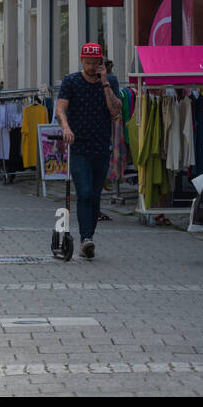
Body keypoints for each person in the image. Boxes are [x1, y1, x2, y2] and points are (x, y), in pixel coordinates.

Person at [55, 42, 121, 260]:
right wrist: (65, 127)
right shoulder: (71, 81)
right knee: (83, 192)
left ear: (102, 62)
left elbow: (116, 110)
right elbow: (61, 108)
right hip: (79, 146)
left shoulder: (110, 81)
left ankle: (88, 236)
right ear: (81, 61)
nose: (92, 67)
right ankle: (86, 239)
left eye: (95, 63)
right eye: (88, 63)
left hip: (101, 145)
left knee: (95, 194)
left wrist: (104, 83)